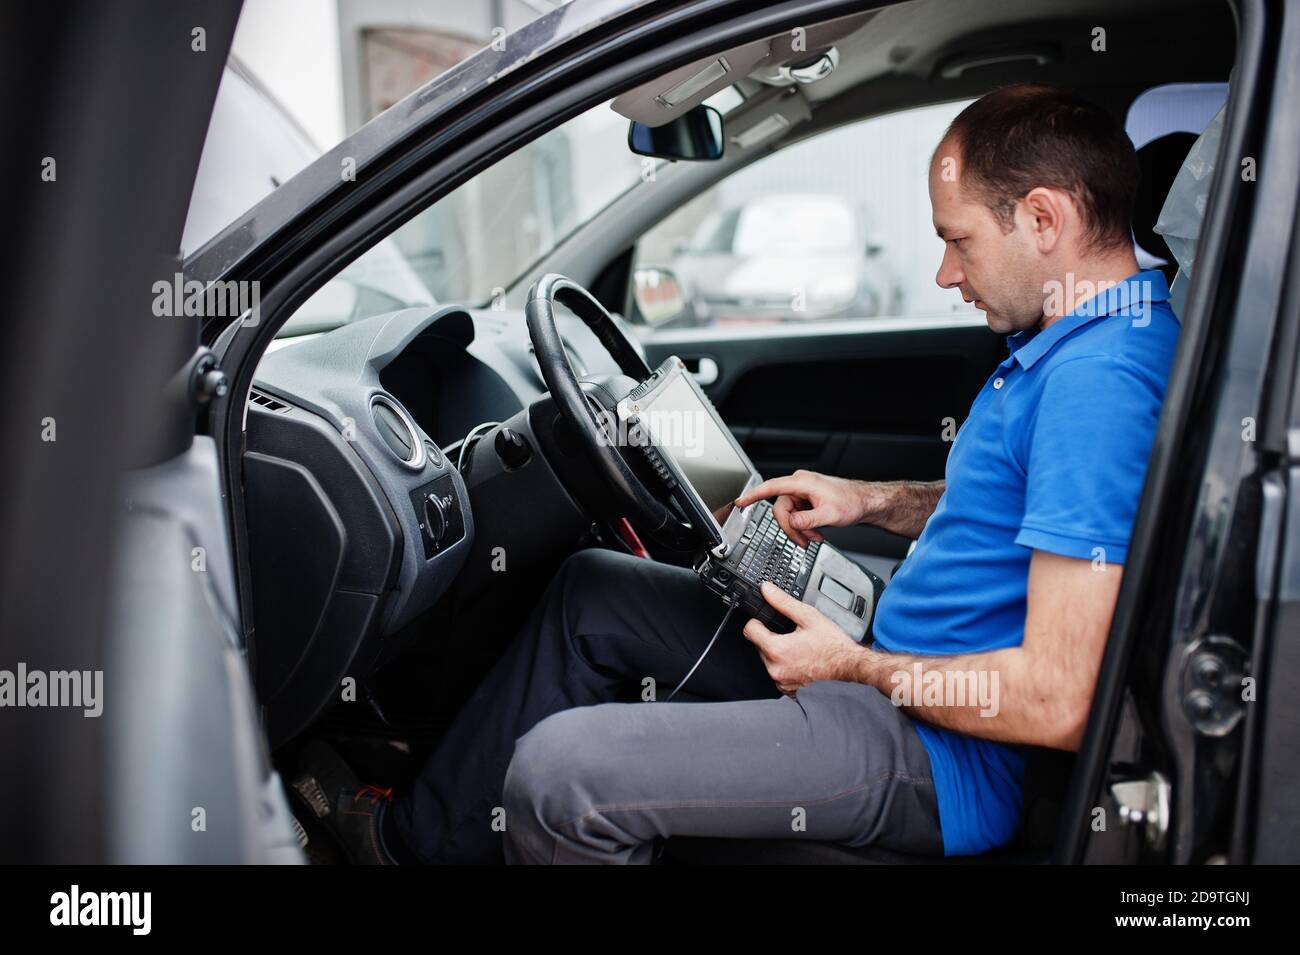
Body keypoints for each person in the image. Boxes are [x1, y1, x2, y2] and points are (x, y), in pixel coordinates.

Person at [293, 83, 1181, 864]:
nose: (947, 274)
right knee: (589, 593)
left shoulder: (1097, 384)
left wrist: (856, 667)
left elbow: (1062, 701)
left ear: (1043, 219)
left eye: (960, 242)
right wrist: (872, 500)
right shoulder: (1071, 344)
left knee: (562, 777)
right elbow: (1020, 505)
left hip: (937, 755)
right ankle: (418, 845)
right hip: (889, 667)